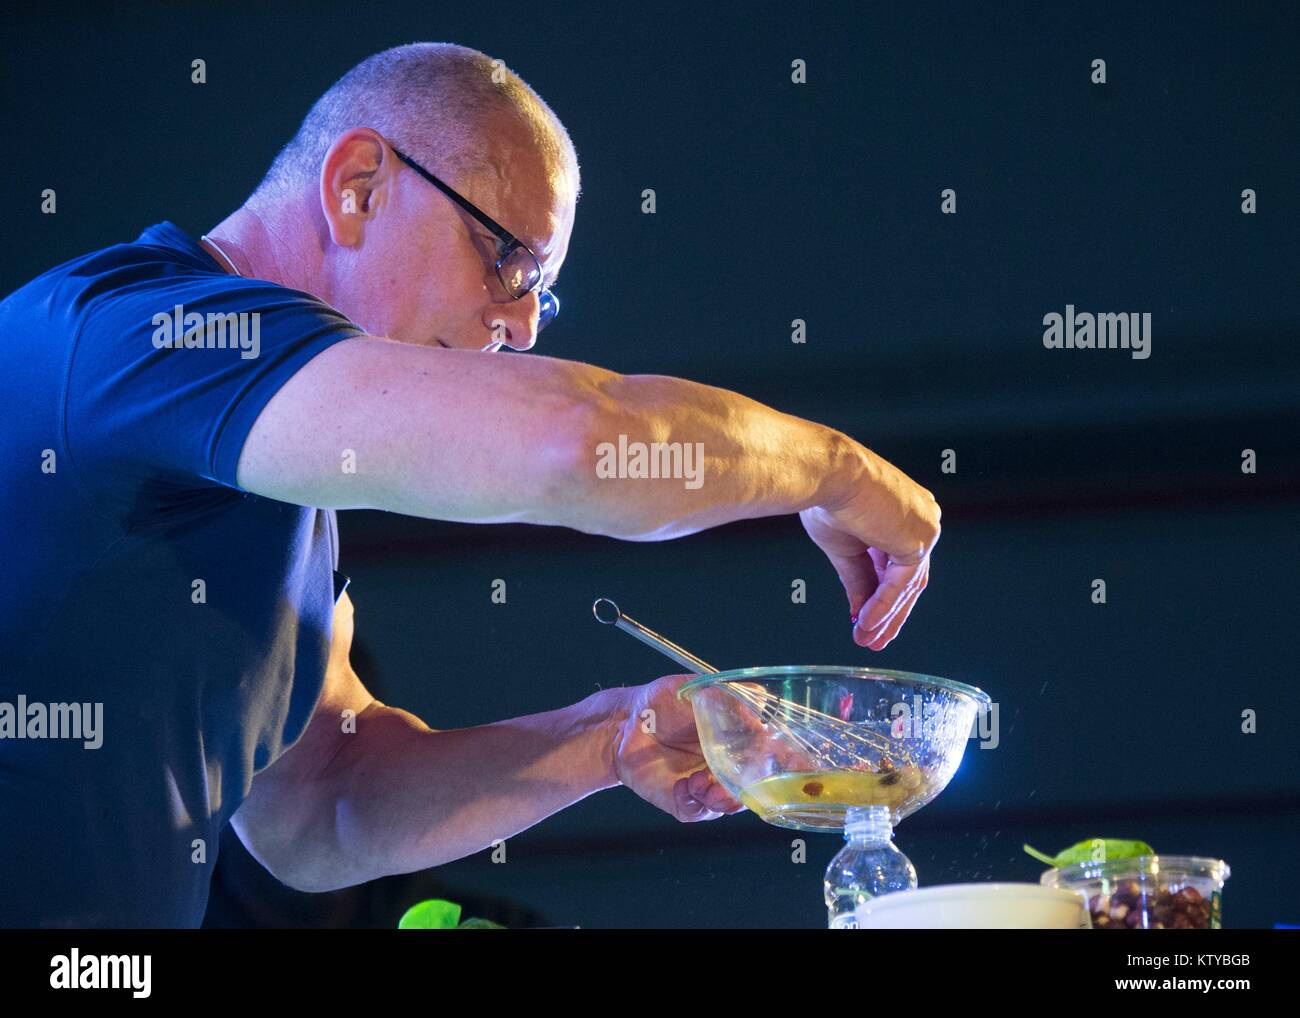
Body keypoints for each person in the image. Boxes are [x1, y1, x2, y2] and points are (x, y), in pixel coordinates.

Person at [0, 42, 940, 928]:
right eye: (510, 260)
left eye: (544, 290)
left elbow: (325, 809)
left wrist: (609, 736)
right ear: (358, 187)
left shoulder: (279, 493)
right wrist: (834, 470)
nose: (525, 326)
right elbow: (582, 444)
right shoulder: (141, 335)